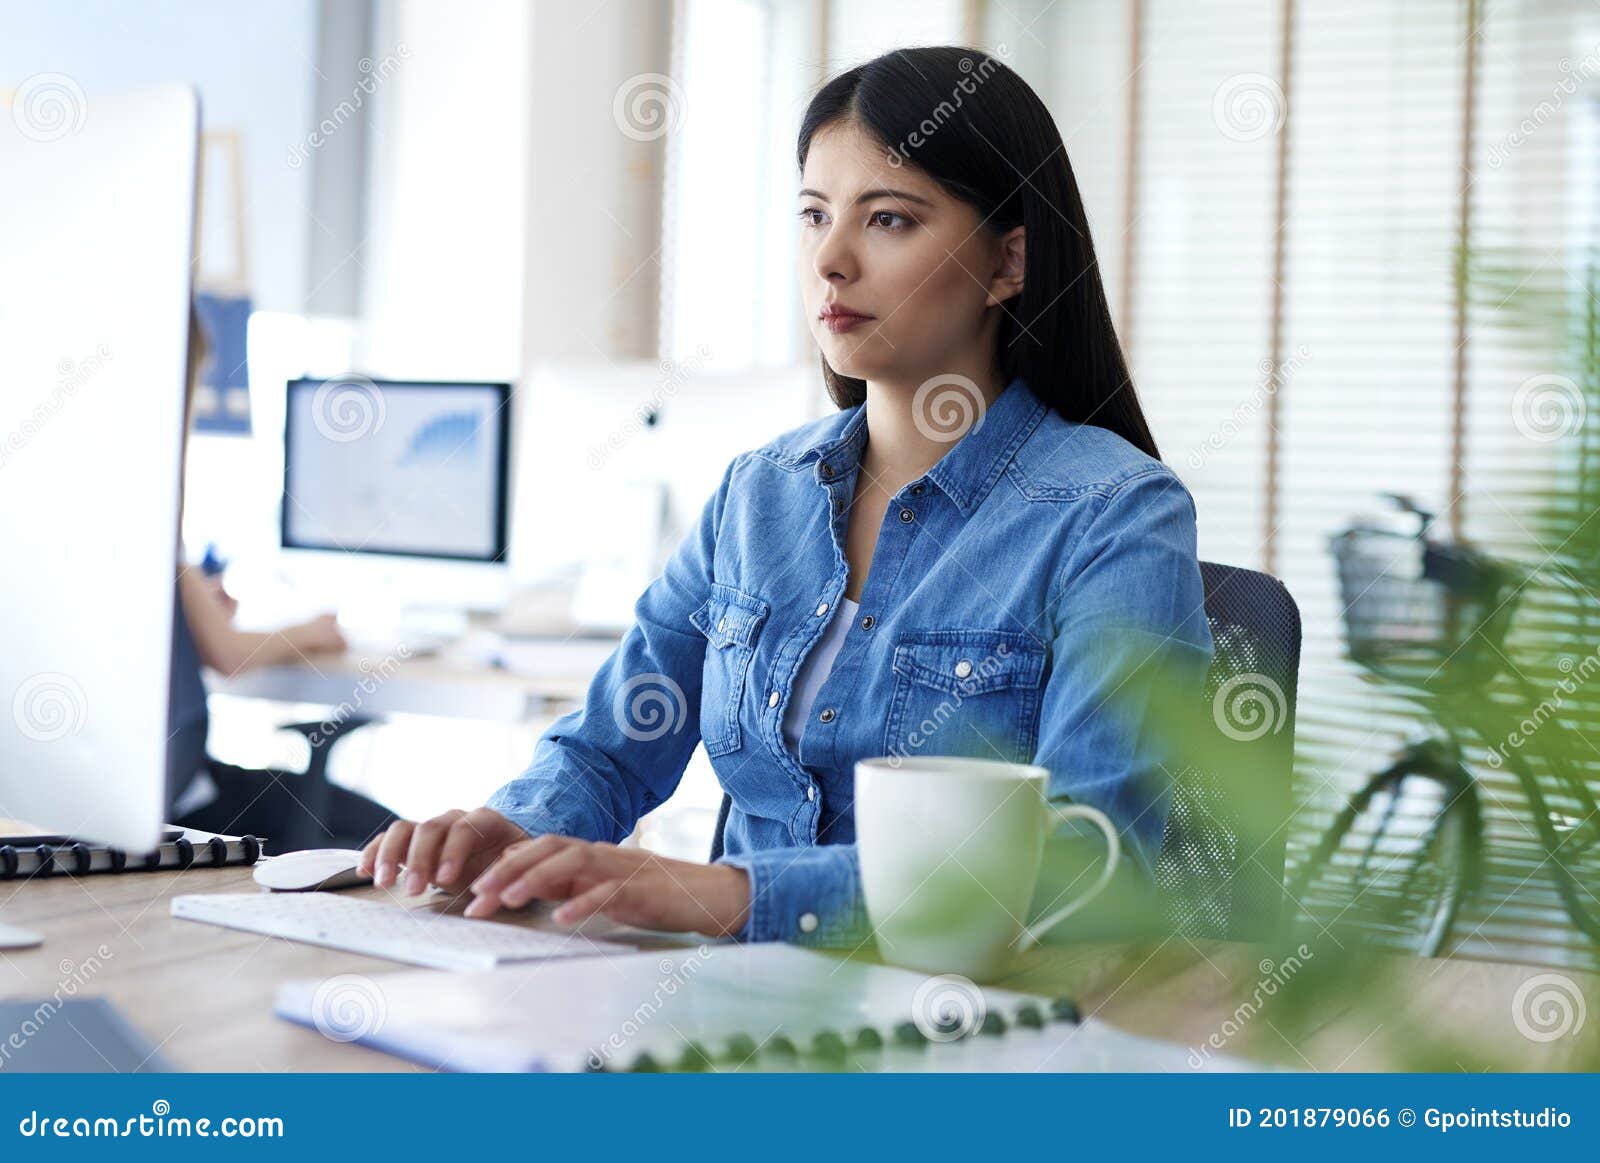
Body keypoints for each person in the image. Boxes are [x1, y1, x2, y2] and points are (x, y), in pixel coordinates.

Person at [360, 46, 1214, 944]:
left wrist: (726, 894)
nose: (831, 261)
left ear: (1009, 262)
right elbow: (611, 749)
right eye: (814, 216)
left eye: (888, 220)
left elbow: (1094, 860)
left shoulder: (1115, 514)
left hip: (959, 1023)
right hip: (725, 1000)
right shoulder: (758, 495)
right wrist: (517, 829)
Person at [167, 307, 397, 850]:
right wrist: (315, 633)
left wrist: (192, 608)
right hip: (183, 800)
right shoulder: (147, 493)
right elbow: (230, 656)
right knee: (386, 836)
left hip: (160, 782)